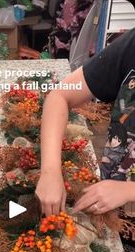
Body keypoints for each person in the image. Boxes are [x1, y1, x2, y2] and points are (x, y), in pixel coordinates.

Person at [36, 28, 135, 220]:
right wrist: (50, 171)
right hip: (108, 210)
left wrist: (129, 191)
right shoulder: (131, 47)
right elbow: (60, 95)